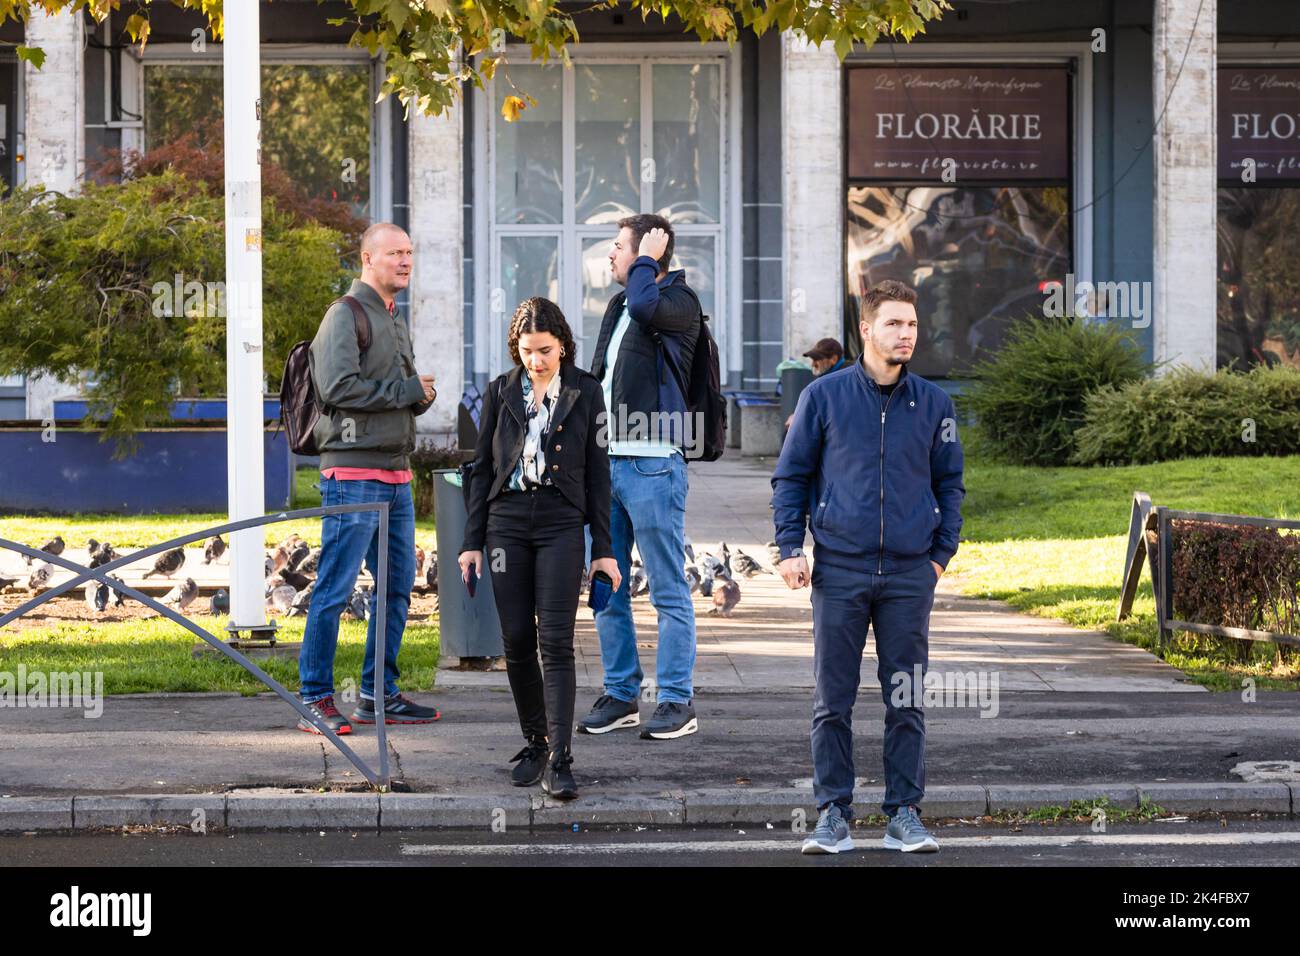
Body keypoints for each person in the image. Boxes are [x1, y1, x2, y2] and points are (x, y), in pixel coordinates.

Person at [771, 279, 965, 855]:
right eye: (893, 324)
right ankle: (833, 813)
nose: (905, 334)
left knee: (905, 698)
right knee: (833, 699)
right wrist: (789, 547)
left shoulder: (934, 403)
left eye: (911, 325)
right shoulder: (824, 397)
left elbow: (949, 483)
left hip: (910, 573)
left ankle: (904, 813)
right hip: (841, 569)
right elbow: (792, 476)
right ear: (867, 329)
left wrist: (939, 557)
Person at [459, 298, 621, 800]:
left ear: (563, 345)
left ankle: (561, 758)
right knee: (514, 641)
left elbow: (598, 473)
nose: (536, 361)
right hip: (506, 525)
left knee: (555, 641)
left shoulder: (586, 392)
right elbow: (481, 468)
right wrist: (471, 542)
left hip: (560, 524)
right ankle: (535, 740)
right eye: (527, 351)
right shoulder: (499, 392)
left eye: (545, 351)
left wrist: (604, 549)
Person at [296, 222, 441, 736]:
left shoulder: (392, 316)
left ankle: (379, 695)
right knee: (334, 588)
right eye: (394, 253)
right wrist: (406, 391)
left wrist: (417, 396)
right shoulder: (345, 314)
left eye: (410, 251)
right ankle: (313, 698)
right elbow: (337, 388)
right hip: (353, 473)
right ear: (367, 259)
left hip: (395, 474)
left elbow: (391, 389)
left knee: (397, 588)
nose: (405, 260)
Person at [577, 214, 704, 741]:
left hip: (653, 463)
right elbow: (600, 376)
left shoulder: (676, 300)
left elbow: (646, 302)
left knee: (668, 588)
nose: (609, 255)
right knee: (607, 583)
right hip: (608, 463)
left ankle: (676, 699)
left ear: (649, 252)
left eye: (617, 247)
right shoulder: (617, 305)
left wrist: (649, 258)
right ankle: (621, 692)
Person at [786, 338, 849, 429]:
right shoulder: (829, 378)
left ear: (833, 359)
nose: (813, 364)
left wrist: (799, 418)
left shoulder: (843, 379)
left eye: (817, 359)